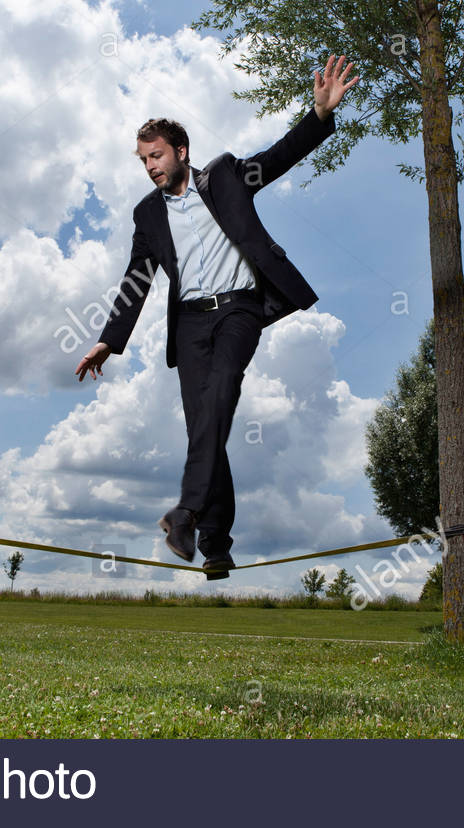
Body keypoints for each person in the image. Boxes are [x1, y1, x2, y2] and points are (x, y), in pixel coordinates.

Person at [75, 55, 359, 579]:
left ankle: (184, 512)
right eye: (142, 161)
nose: (150, 166)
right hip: (189, 325)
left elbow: (279, 157)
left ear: (181, 151)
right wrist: (108, 341)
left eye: (156, 156)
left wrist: (318, 116)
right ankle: (215, 546)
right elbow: (138, 277)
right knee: (206, 425)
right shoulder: (147, 214)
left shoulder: (226, 176)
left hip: (240, 309)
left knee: (224, 387)